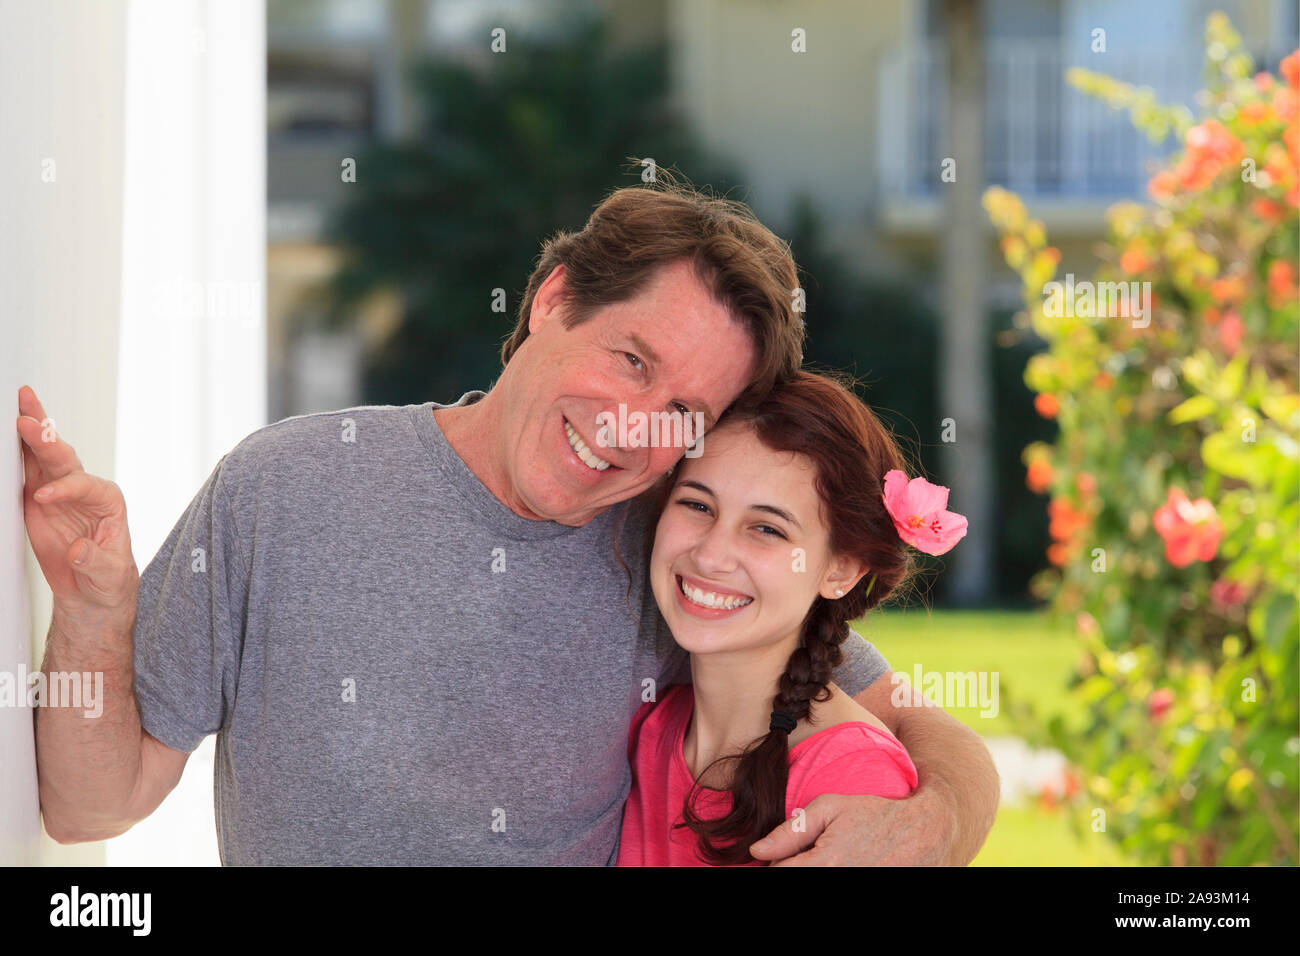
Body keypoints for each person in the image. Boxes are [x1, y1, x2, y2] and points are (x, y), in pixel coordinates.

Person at [18, 178, 997, 864]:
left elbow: (905, 720)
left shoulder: (679, 552)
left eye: (683, 416)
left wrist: (938, 819)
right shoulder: (281, 488)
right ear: (552, 300)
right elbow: (92, 801)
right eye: (629, 359)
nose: (630, 427)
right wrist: (98, 611)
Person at [618, 370, 967, 865]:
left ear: (841, 569)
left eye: (766, 528)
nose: (711, 555)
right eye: (697, 504)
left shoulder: (854, 779)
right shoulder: (654, 730)